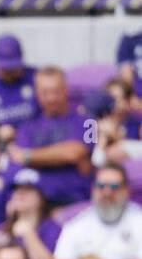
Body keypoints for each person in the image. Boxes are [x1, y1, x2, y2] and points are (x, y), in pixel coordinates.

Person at [49, 163, 142, 259]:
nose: (107, 192)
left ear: (126, 190)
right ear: (93, 189)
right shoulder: (77, 224)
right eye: (101, 186)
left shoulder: (139, 220)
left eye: (114, 187)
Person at [9, 67, 92, 207]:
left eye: (56, 91)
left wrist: (29, 156)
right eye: (45, 92)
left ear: (66, 90)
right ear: (37, 94)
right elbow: (18, 159)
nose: (52, 98)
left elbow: (74, 153)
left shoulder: (90, 123)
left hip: (75, 201)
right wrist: (57, 155)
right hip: (38, 205)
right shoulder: (26, 127)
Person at [0, 168, 60, 259]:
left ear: (41, 197)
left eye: (28, 190)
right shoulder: (6, 227)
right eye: (16, 190)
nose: (20, 194)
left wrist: (28, 234)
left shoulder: (52, 228)